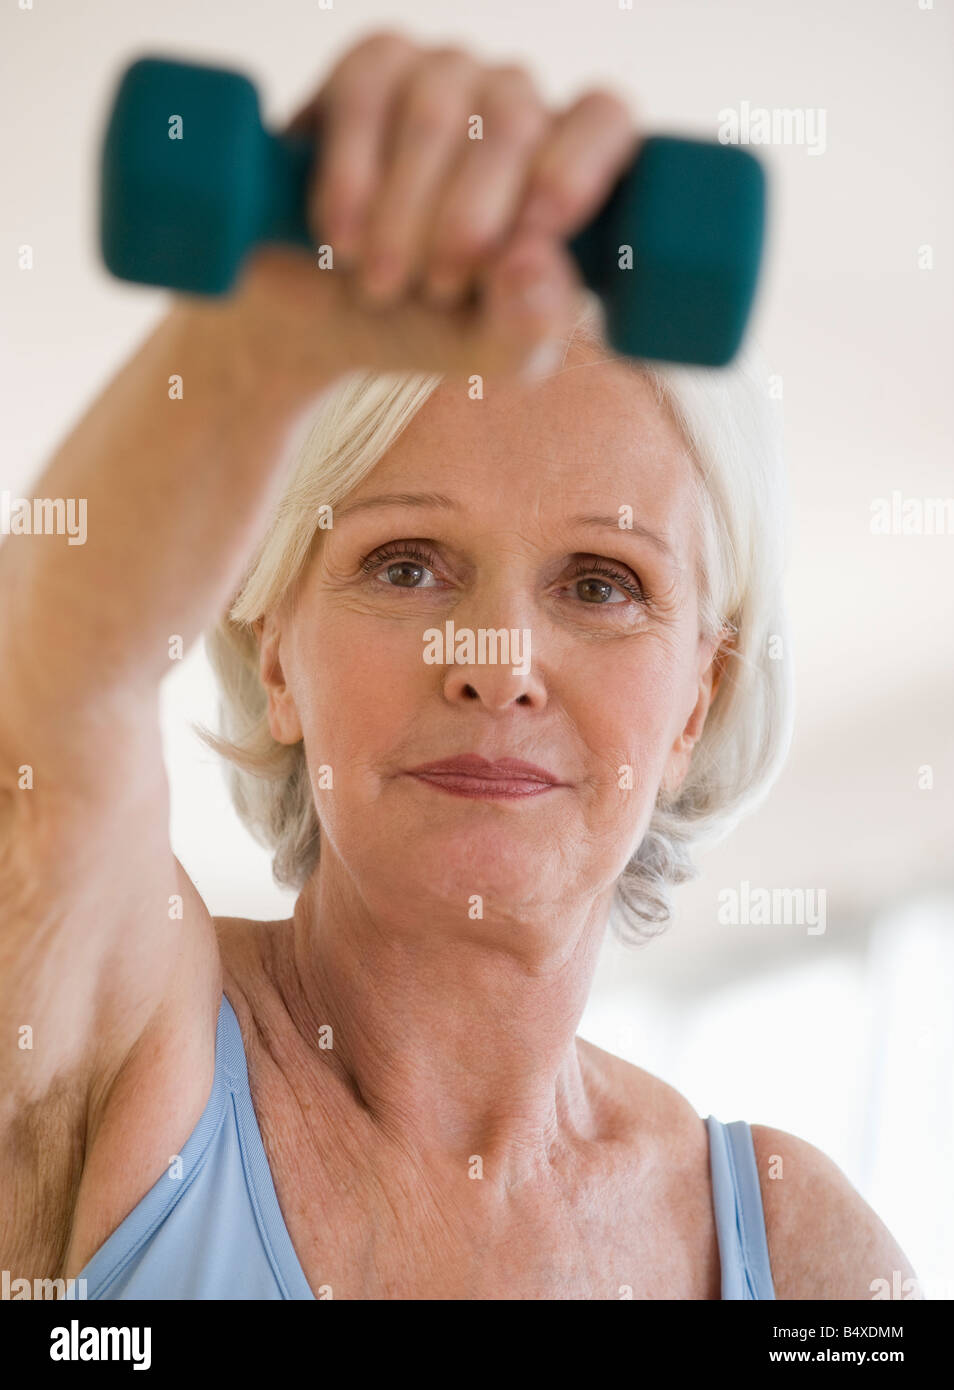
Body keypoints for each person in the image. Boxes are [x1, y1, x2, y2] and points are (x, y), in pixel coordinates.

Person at [0, 29, 918, 1300]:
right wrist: (268, 339)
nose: (499, 664)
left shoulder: (802, 1249)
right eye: (407, 563)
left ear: (696, 703)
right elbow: (36, 726)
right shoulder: (127, 1051)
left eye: (602, 584)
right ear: (276, 654)